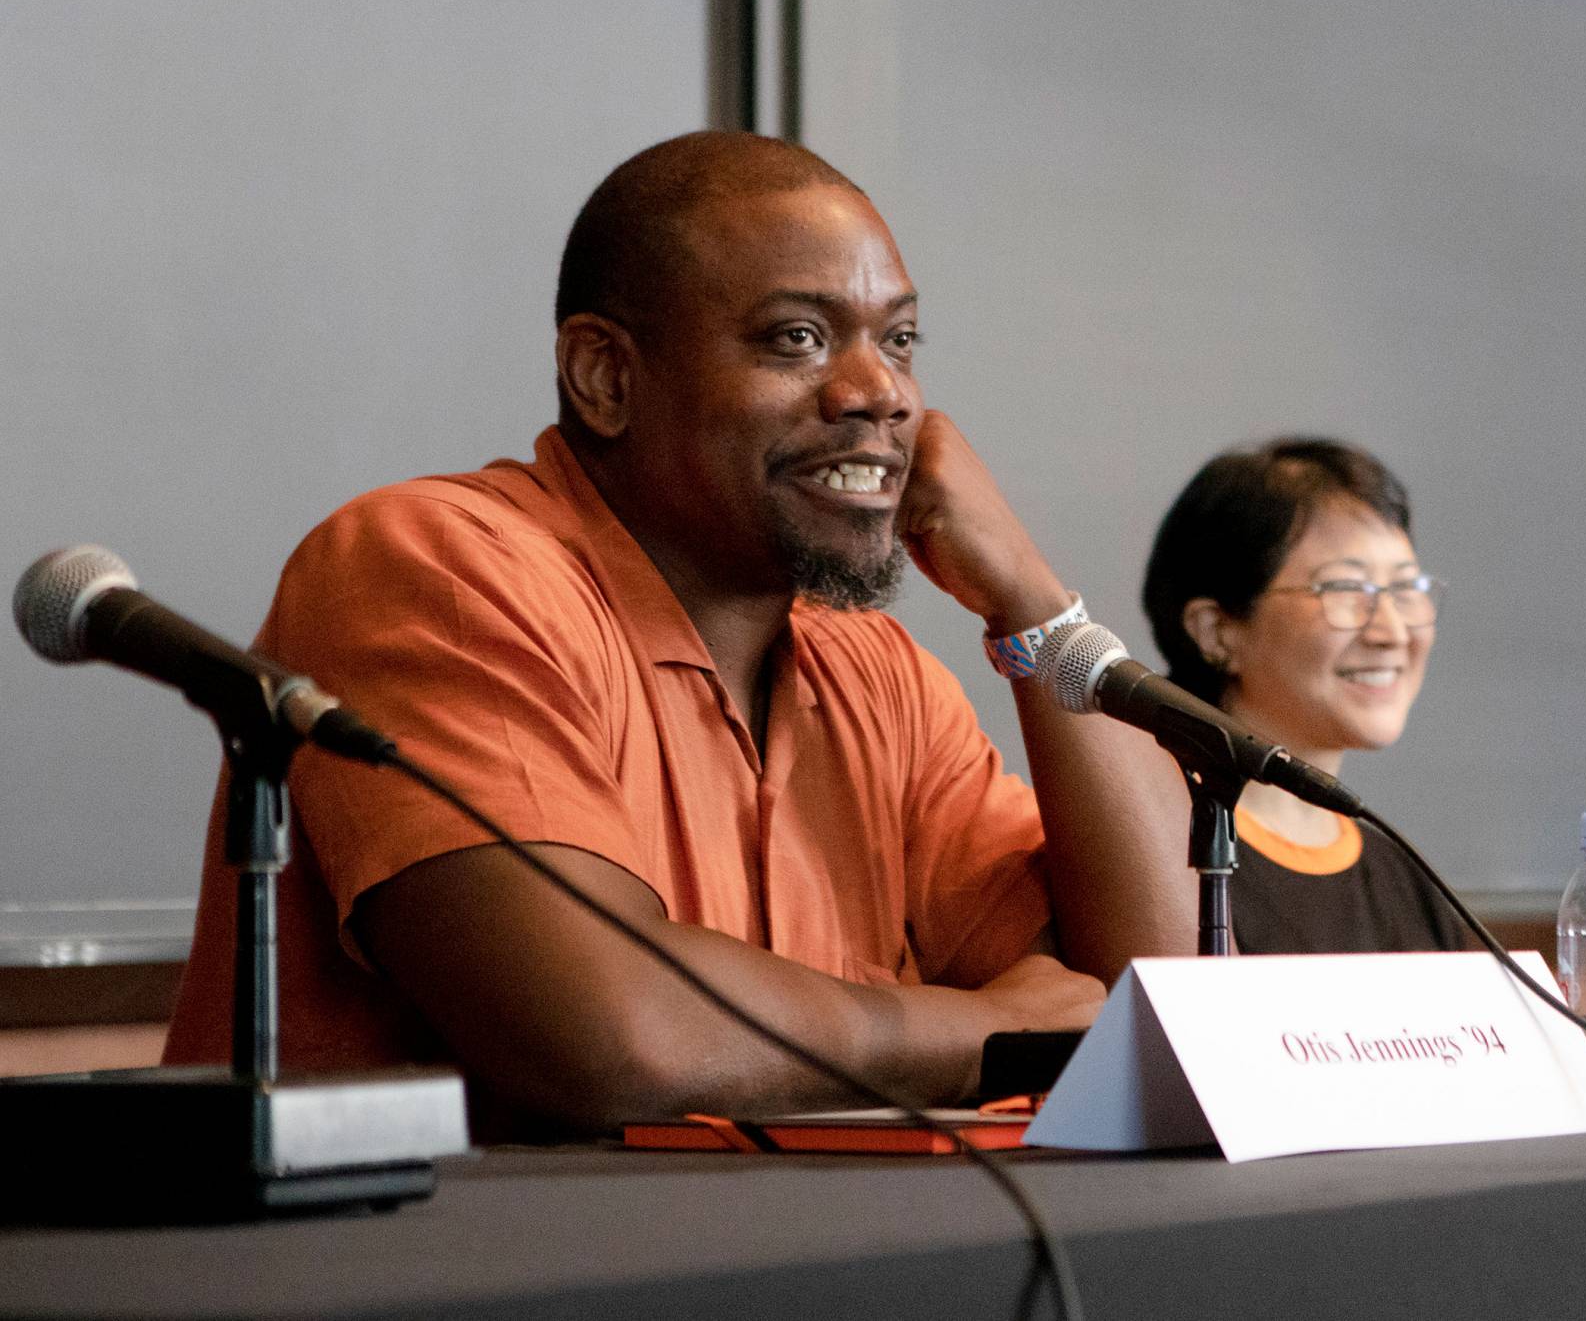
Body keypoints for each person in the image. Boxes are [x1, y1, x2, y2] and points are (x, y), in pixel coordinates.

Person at [162, 131, 1193, 1135]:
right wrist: (994, 1029)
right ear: (605, 377)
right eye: (797, 337)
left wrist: (1031, 601)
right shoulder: (435, 566)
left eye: (899, 341)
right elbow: (613, 1037)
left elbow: (1158, 1004)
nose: (878, 392)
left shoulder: (875, 669)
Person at [1140, 439, 1466, 953]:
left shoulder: (1407, 881)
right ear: (1216, 631)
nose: (1393, 631)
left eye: (1405, 589)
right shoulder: (1158, 855)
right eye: (1344, 589)